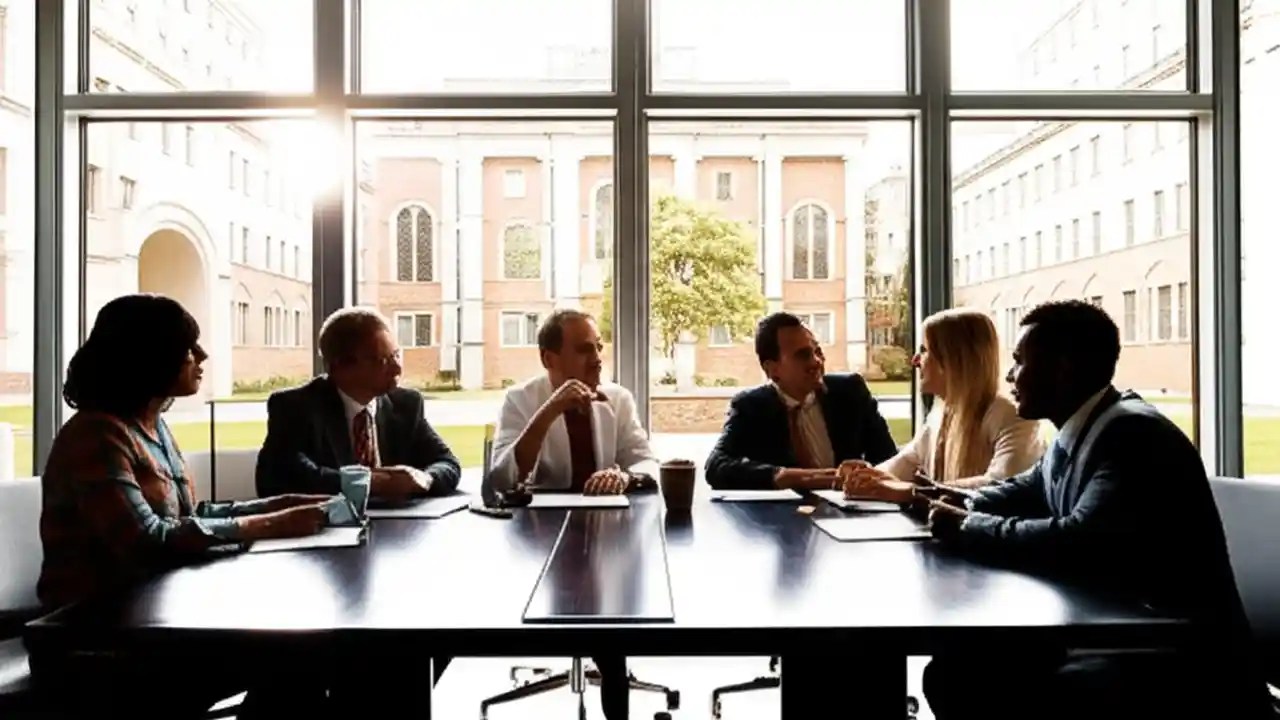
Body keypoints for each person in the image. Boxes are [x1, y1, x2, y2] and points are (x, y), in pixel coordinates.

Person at [921, 300, 1271, 719]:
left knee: (964, 678)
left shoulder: (1131, 434)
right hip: (1126, 631)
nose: (1011, 375)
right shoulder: (1089, 424)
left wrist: (970, 526)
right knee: (955, 671)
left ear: (1063, 368)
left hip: (1179, 664)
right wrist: (944, 497)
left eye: (1019, 362)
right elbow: (1027, 488)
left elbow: (1075, 541)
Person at [32, 293, 329, 718]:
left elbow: (185, 521)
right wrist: (266, 524)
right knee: (298, 657)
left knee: (304, 653)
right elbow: (147, 540)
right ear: (150, 356)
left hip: (155, 624)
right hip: (97, 643)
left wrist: (277, 505)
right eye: (189, 347)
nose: (201, 356)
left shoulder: (150, 426)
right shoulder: (97, 435)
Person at [483, 309, 654, 720]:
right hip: (540, 540)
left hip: (604, 533)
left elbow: (648, 464)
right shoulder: (521, 400)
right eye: (583, 349)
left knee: (611, 627)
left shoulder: (618, 398)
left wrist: (622, 478)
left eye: (598, 347)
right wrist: (549, 411)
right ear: (549, 358)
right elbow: (501, 481)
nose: (597, 358)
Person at [256, 306, 461, 502]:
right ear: (339, 367)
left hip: (399, 528)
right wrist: (369, 482)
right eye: (381, 360)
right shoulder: (296, 407)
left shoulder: (406, 405)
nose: (397, 368)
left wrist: (423, 479)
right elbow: (277, 479)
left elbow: (448, 464)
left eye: (396, 355)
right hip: (326, 530)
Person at [841, 308, 1044, 503]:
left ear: (953, 360)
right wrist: (865, 475)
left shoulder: (1012, 417)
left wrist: (909, 492)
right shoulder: (941, 413)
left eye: (924, 350)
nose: (915, 360)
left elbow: (1001, 486)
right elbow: (906, 463)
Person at [704, 312, 898, 490]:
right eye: (803, 355)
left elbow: (889, 460)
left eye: (818, 351)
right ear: (772, 369)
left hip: (852, 514)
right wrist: (787, 477)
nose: (816, 361)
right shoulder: (751, 407)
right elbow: (716, 466)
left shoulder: (850, 392)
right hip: (783, 522)